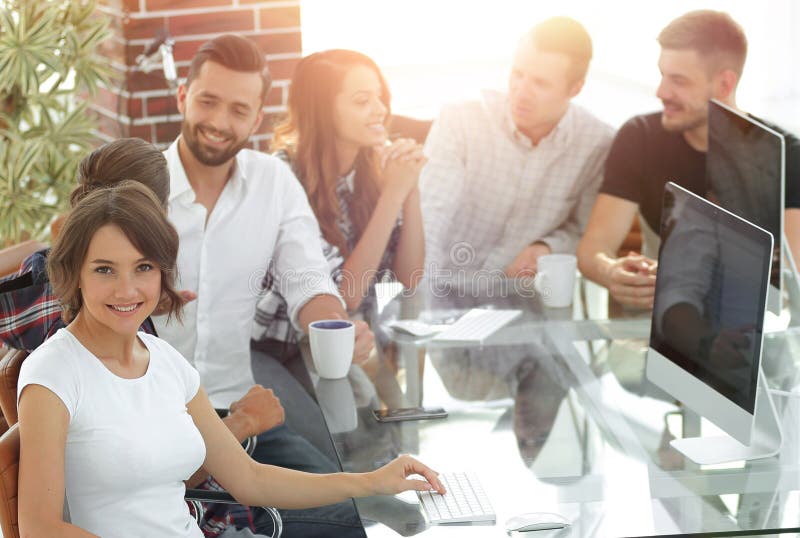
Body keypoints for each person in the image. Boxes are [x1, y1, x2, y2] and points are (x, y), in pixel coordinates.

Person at [16, 181, 444, 538]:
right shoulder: (54, 372)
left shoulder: (167, 363)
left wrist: (370, 482)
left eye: (143, 267)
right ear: (73, 274)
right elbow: (39, 526)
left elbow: (250, 479)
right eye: (105, 270)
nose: (127, 290)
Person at [152, 34, 376, 536]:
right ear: (184, 97)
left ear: (255, 120)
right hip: (151, 420)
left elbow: (307, 279)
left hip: (239, 413)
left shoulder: (273, 182)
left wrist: (334, 327)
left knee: (340, 516)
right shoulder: (141, 185)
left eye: (237, 109)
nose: (218, 122)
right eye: (207, 101)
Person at [577, 10, 800, 309]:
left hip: (752, 328)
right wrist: (610, 272)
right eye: (662, 75)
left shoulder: (786, 153)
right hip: (661, 321)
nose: (661, 92)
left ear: (724, 84)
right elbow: (594, 248)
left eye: (678, 81)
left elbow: (794, 273)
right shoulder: (639, 137)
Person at [255, 49, 425, 366]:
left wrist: (409, 187)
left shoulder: (370, 170)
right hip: (281, 348)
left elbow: (409, 277)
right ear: (322, 111)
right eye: (362, 101)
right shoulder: (283, 176)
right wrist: (393, 194)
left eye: (379, 97)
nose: (380, 110)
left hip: (350, 343)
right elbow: (344, 297)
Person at [419, 16, 614, 278]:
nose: (521, 91)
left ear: (575, 89)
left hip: (523, 300)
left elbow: (582, 231)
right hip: (442, 286)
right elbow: (431, 217)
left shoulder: (598, 143)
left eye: (540, 83)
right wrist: (420, 299)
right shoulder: (460, 119)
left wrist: (547, 247)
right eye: (517, 74)